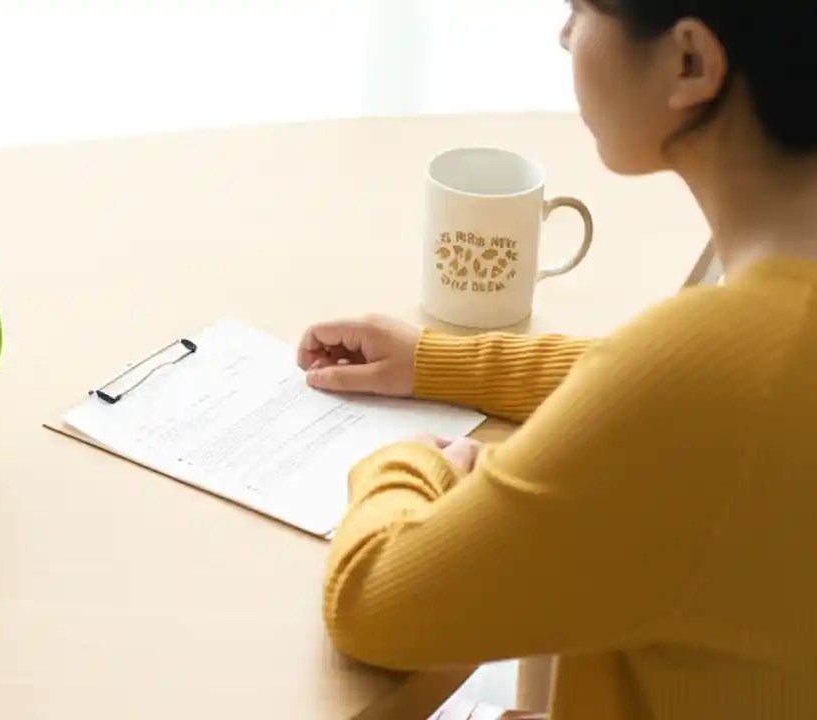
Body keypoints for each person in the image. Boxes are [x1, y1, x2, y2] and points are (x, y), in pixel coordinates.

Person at [299, 1, 817, 718]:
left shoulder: (713, 376)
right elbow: (677, 384)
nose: (564, 36)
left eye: (579, 10)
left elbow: (371, 602)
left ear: (689, 62)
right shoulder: (767, 337)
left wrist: (408, 463)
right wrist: (440, 362)